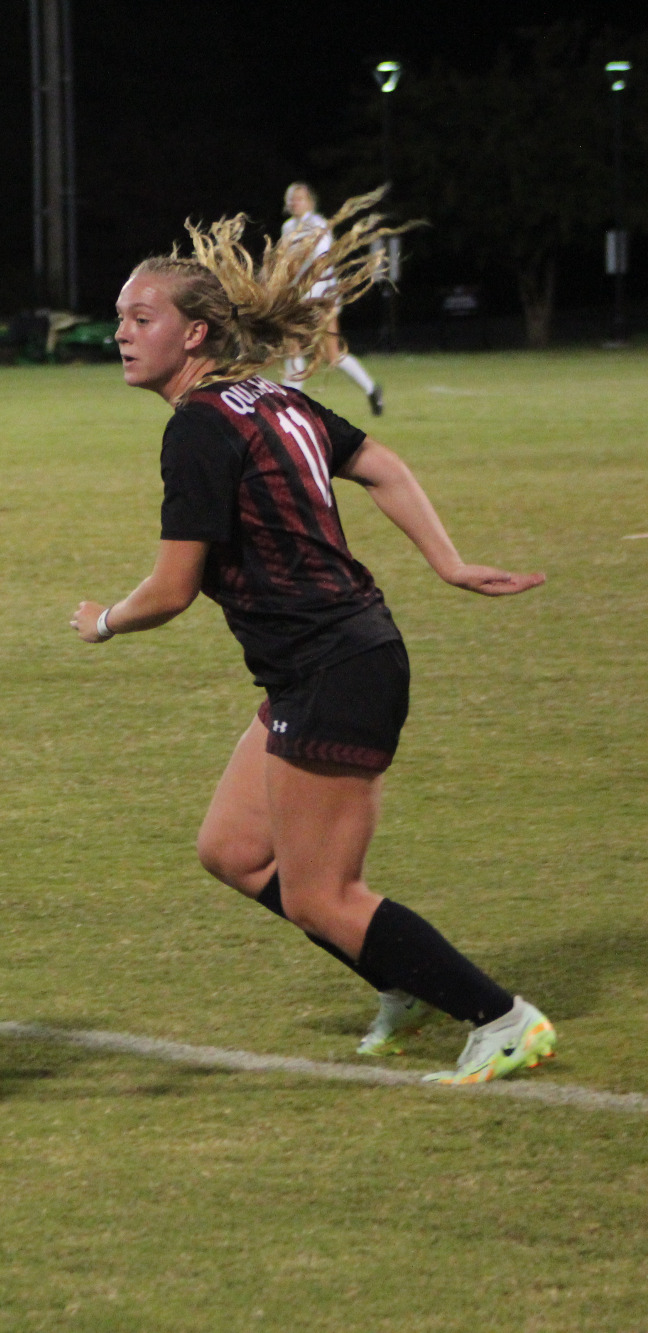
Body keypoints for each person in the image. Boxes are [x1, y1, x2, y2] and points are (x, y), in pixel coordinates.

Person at [71, 192, 554, 1086]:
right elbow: (382, 463)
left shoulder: (200, 429)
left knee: (324, 894)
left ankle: (503, 1017)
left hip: (338, 666)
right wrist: (444, 563)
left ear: (197, 336)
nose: (123, 334)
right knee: (232, 851)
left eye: (142, 318)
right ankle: (399, 979)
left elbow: (173, 589)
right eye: (119, 319)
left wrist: (104, 620)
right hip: (322, 664)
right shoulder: (272, 399)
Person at [280, 182, 383, 415]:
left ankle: (371, 389)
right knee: (293, 347)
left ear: (310, 202)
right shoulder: (288, 227)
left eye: (299, 198)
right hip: (298, 298)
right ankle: (289, 403)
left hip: (321, 297)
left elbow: (321, 261)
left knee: (332, 355)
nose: (294, 203)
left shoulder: (318, 225)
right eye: (291, 199)